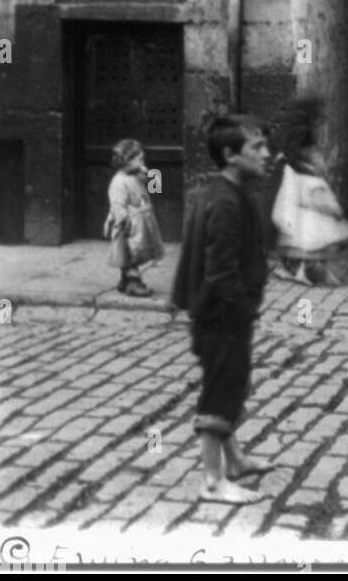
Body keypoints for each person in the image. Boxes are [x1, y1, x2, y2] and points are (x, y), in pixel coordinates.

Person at [171, 114, 272, 504]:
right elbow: (220, 272)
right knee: (221, 389)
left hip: (223, 316)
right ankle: (213, 480)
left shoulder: (223, 191)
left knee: (232, 383)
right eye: (257, 147)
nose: (267, 153)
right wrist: (244, 307)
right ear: (230, 155)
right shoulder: (225, 204)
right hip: (221, 317)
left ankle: (236, 461)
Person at [270, 94, 348, 286]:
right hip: (296, 177)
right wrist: (307, 168)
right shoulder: (301, 130)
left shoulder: (299, 128)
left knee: (299, 227)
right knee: (300, 225)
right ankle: (292, 268)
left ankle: (297, 268)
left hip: (296, 175)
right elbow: (292, 152)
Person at [103, 138, 164, 297]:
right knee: (129, 254)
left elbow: (156, 189)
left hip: (141, 223)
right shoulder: (119, 182)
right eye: (140, 159)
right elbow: (117, 204)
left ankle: (125, 281)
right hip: (129, 226)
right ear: (127, 161)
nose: (143, 162)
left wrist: (149, 173)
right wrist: (122, 221)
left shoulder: (137, 176)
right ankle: (133, 282)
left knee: (135, 254)